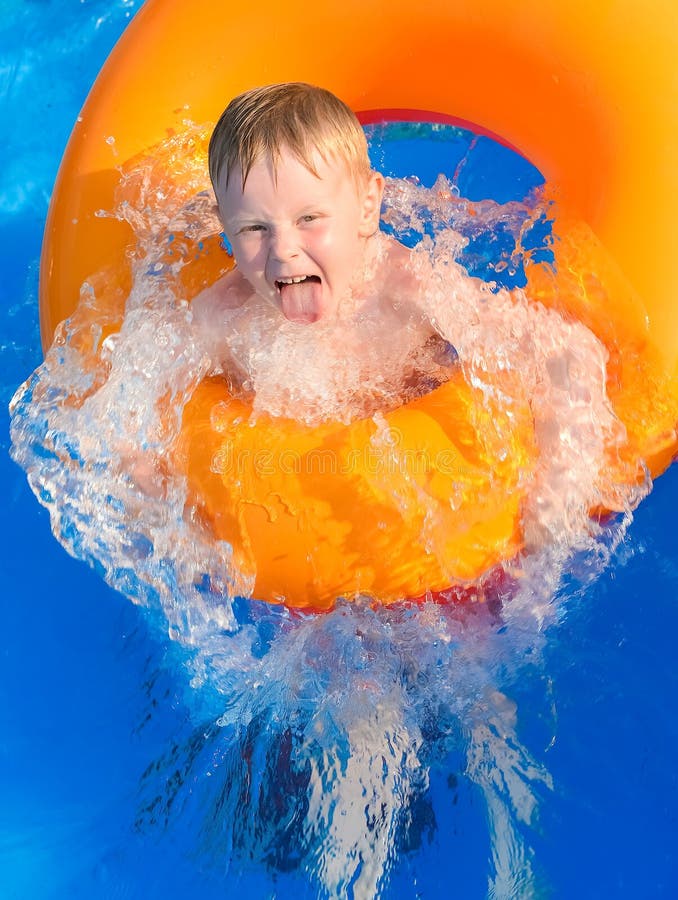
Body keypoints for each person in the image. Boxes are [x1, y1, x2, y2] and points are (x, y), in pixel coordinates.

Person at [190, 82, 457, 424]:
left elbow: (528, 342)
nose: (283, 251)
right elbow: (135, 390)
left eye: (309, 218)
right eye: (254, 228)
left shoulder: (409, 288)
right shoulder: (225, 313)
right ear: (225, 227)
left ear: (366, 207)